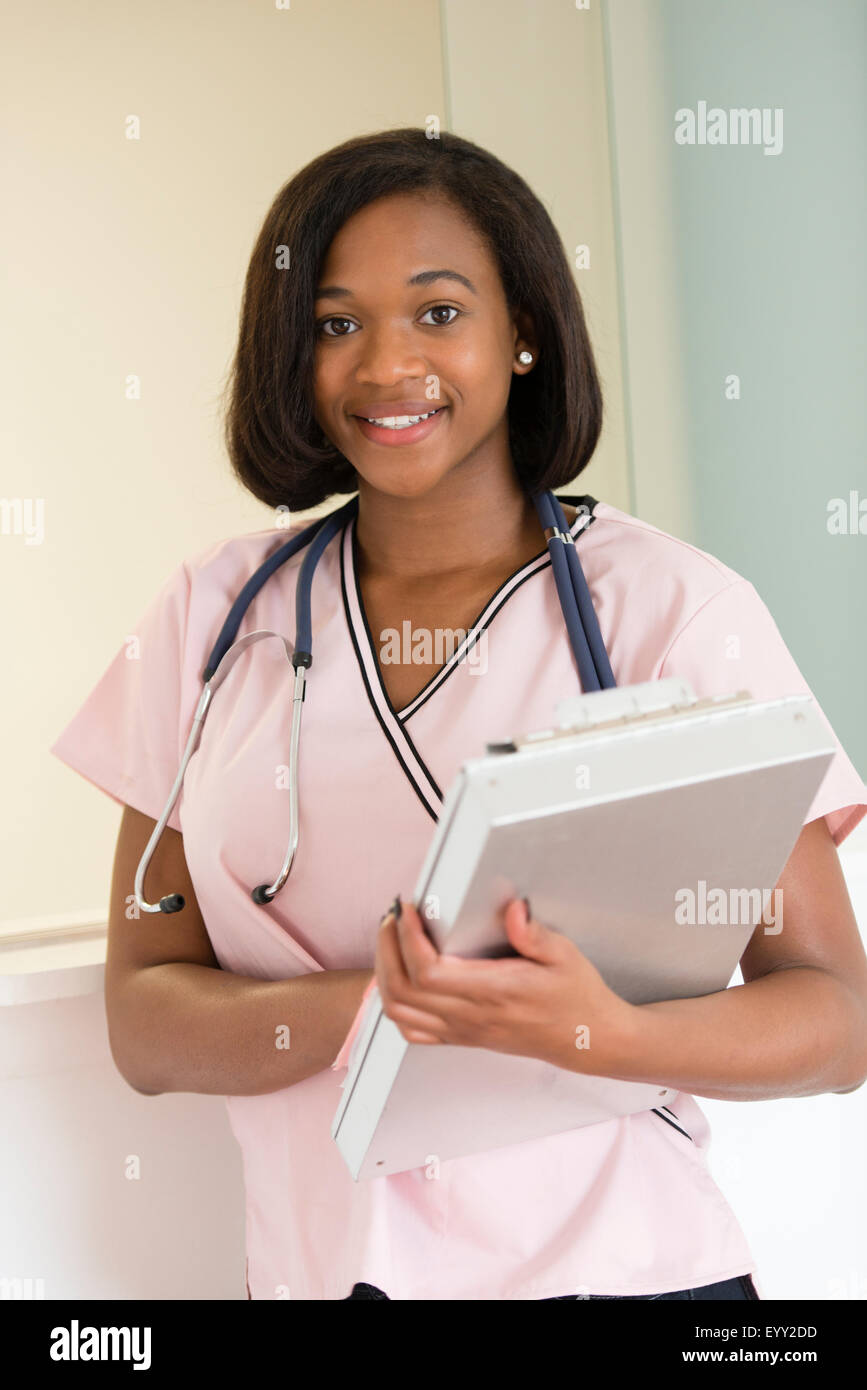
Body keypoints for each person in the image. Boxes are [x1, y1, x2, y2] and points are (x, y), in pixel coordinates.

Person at [51, 128, 867, 1302]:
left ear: (523, 330)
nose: (387, 365)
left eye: (439, 313)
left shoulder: (674, 613)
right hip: (319, 1282)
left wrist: (599, 1031)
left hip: (630, 1282)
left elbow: (834, 1016)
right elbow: (145, 1020)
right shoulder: (211, 617)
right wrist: (384, 1008)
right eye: (338, 323)